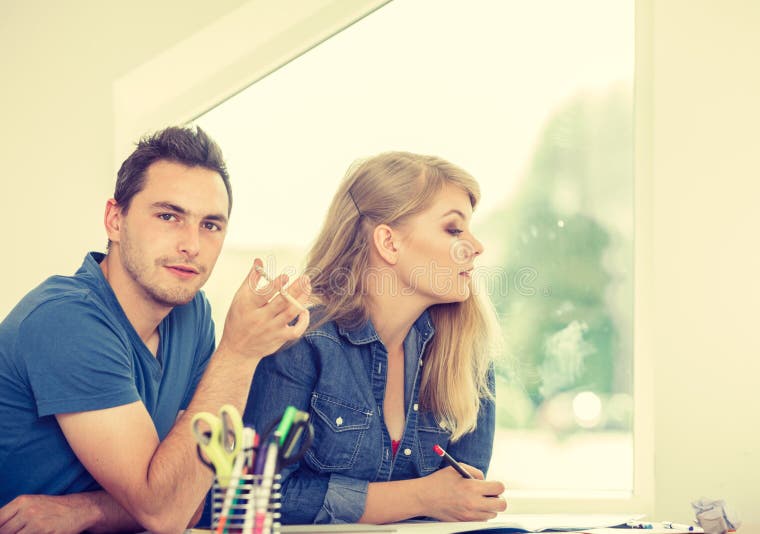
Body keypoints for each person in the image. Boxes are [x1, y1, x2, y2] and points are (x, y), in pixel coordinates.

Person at [0, 126, 310, 534]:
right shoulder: (65, 320)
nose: (192, 245)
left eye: (211, 226)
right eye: (168, 216)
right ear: (114, 219)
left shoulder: (190, 313)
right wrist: (238, 353)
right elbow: (166, 512)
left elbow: (192, 499)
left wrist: (86, 509)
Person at [244, 151, 507, 524]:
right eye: (453, 229)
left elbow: (463, 497)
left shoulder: (466, 354)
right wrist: (419, 497)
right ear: (389, 243)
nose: (476, 246)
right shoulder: (301, 341)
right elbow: (257, 494)